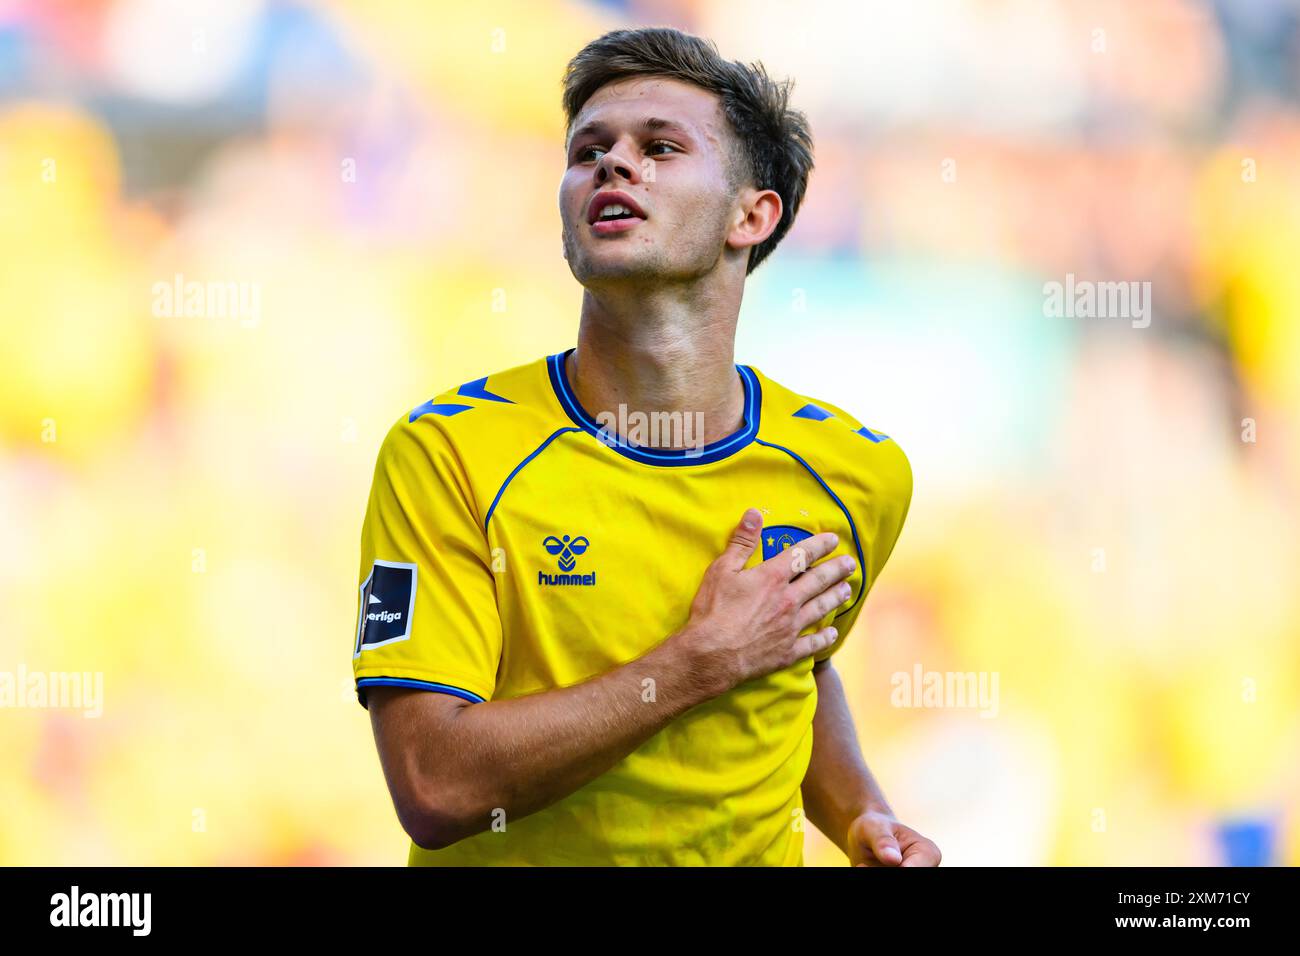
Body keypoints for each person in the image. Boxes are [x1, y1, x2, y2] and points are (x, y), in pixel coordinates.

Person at [352, 26, 938, 867]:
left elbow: (793, 671)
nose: (613, 165)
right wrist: (696, 662)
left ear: (753, 213)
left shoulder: (858, 471)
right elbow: (436, 787)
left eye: (660, 147)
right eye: (589, 149)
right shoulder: (448, 452)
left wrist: (859, 816)